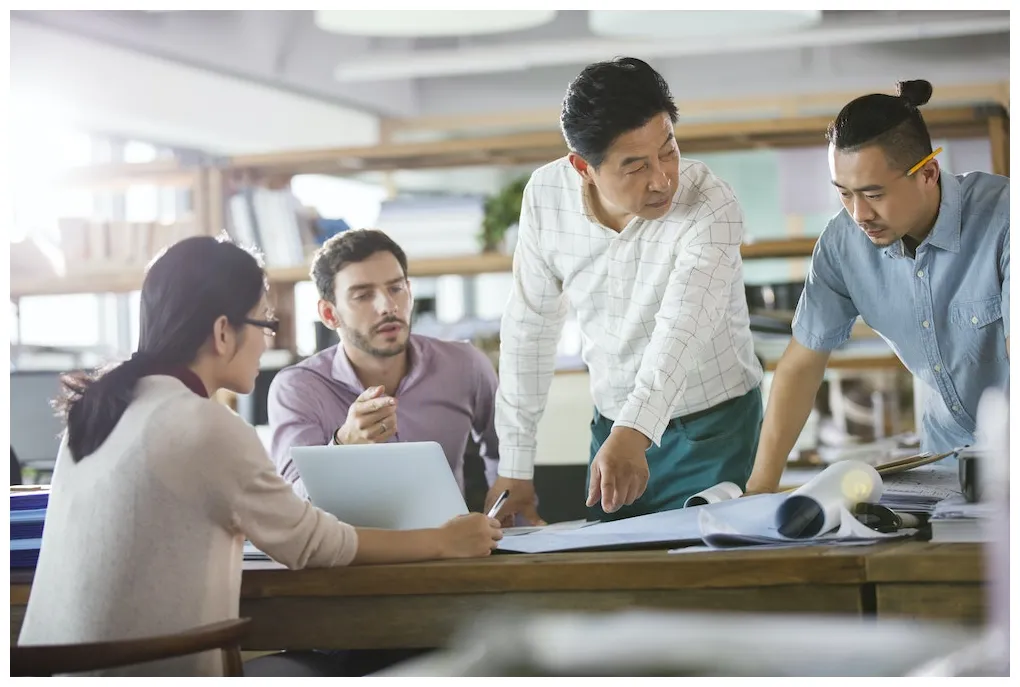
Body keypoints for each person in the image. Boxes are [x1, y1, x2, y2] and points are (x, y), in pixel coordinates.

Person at [17, 236, 501, 677]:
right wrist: (442, 541)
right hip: (145, 668)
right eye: (266, 322)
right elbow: (310, 543)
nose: (269, 339)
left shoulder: (100, 408)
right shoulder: (202, 424)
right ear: (224, 332)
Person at [488, 57, 764, 524]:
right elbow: (529, 327)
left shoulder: (711, 204)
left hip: (713, 428)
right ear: (583, 167)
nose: (661, 179)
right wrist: (515, 465)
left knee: (715, 578)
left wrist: (635, 431)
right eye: (635, 166)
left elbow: (683, 325)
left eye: (669, 150)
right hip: (614, 428)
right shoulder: (545, 196)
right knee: (618, 583)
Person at [745, 79, 1010, 495]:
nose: (859, 214)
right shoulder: (842, 245)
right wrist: (760, 488)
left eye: (874, 194)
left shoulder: (1004, 219)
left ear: (928, 173)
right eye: (845, 194)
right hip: (946, 471)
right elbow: (801, 365)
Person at [268, 229, 500, 502]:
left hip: (453, 542)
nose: (388, 306)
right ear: (330, 314)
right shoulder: (298, 389)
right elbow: (292, 508)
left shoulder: (464, 365)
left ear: (410, 292)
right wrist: (344, 445)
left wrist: (508, 523)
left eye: (396, 288)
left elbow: (507, 454)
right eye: (363, 295)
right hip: (354, 545)